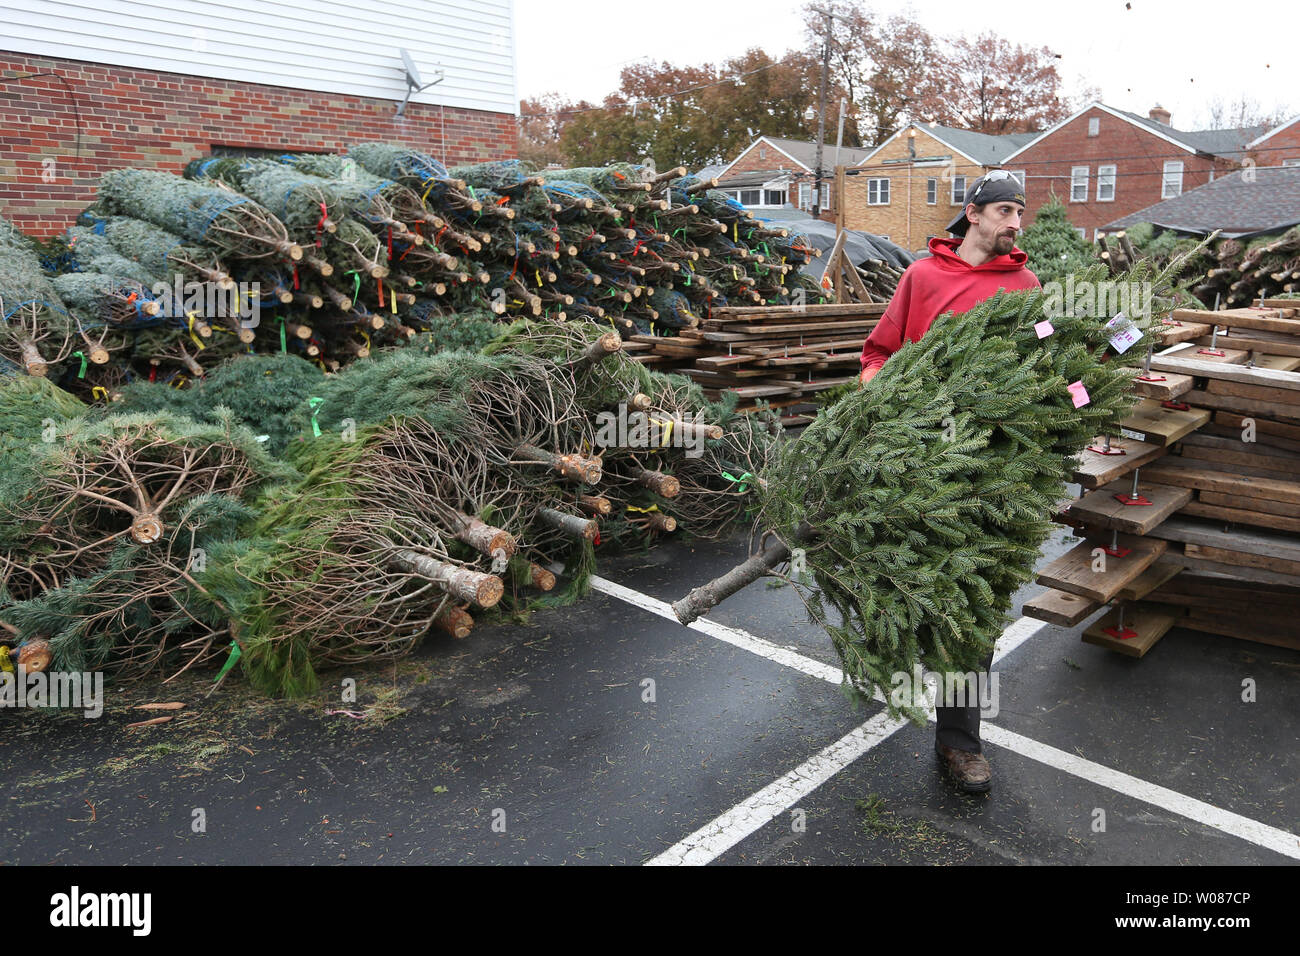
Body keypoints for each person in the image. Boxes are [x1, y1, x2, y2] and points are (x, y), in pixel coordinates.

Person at [857, 170, 1041, 794]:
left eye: (1021, 212)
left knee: (976, 601)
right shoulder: (923, 276)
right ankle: (876, 662)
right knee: (894, 576)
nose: (1016, 223)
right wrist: (881, 395)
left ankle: (959, 745)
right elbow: (877, 352)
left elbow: (1038, 371)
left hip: (987, 472)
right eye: (1007, 211)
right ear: (975, 214)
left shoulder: (1024, 285)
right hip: (911, 462)